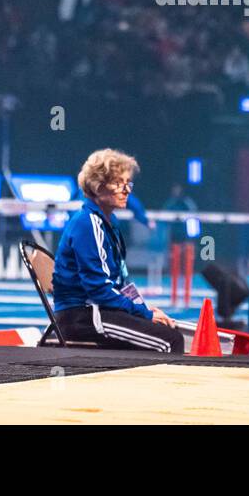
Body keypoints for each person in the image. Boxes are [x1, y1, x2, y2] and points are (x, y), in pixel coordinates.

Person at [52, 148, 184, 353]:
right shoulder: (87, 224)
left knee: (166, 331)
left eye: (127, 183)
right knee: (170, 341)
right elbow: (98, 290)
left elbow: (119, 282)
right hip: (82, 316)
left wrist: (144, 310)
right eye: (118, 183)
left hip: (97, 309)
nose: (127, 190)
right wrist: (144, 314)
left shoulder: (109, 221)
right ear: (97, 187)